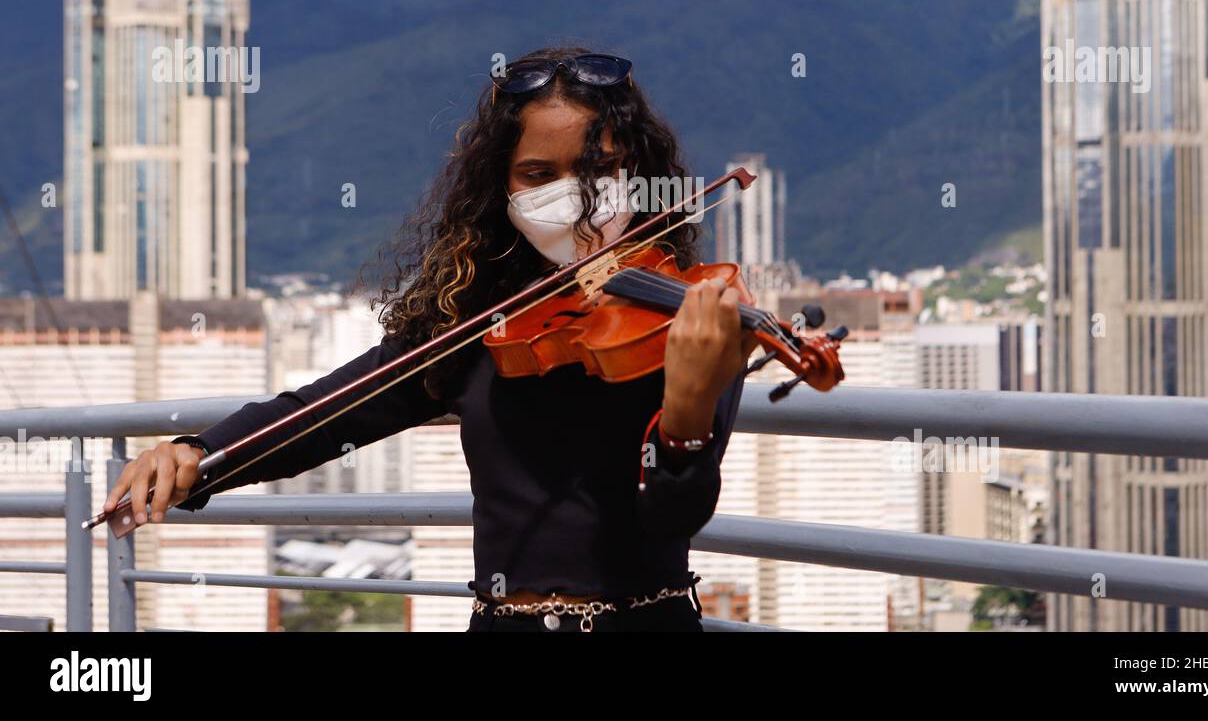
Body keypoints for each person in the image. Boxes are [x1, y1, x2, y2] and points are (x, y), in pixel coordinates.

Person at [104, 45, 757, 632]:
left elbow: (677, 516)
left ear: (637, 174)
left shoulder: (692, 317)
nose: (574, 199)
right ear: (501, 185)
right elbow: (330, 413)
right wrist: (199, 456)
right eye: (538, 175)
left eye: (599, 168)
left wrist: (689, 412)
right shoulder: (476, 322)